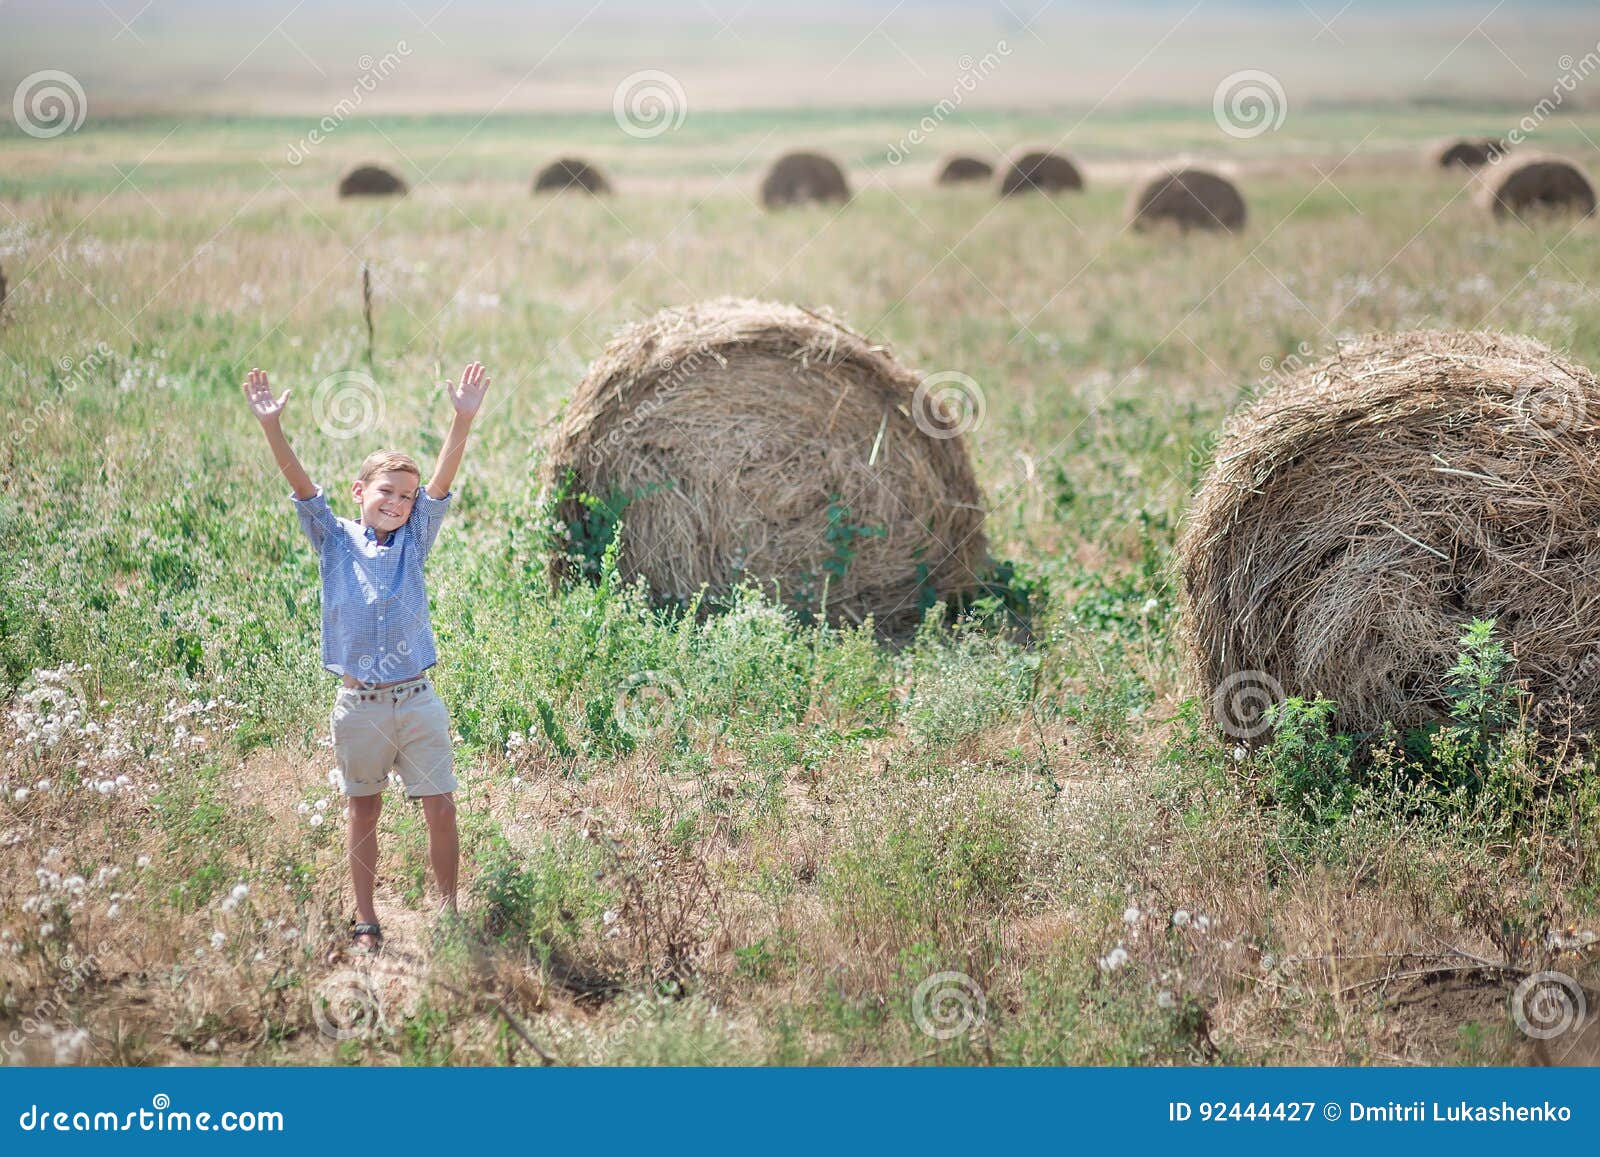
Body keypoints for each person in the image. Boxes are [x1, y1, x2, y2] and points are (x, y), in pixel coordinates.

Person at [242, 362, 492, 954]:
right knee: (363, 811)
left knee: (441, 805)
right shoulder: (333, 538)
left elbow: (440, 483)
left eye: (405, 497)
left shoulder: (415, 539)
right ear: (360, 493)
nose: (399, 503)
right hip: (359, 705)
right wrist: (272, 429)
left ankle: (450, 914)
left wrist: (462, 419)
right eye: (386, 491)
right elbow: (301, 484)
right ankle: (366, 920)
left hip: (417, 698)